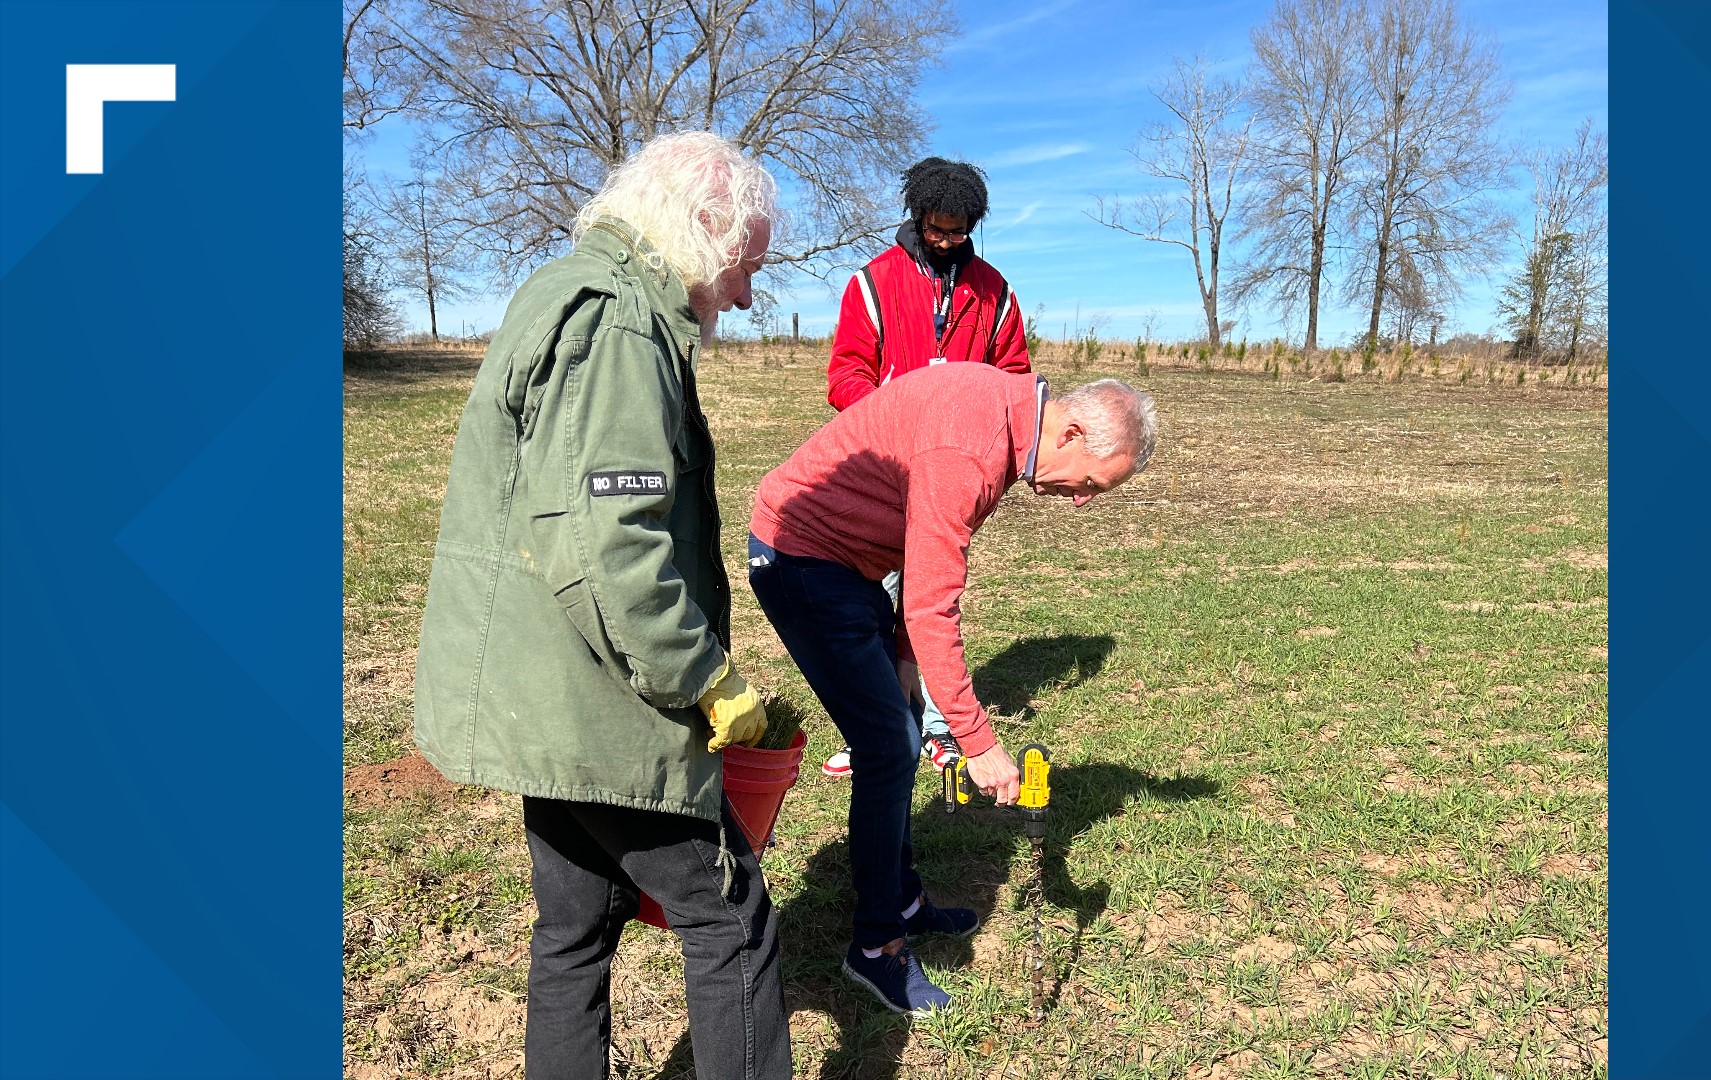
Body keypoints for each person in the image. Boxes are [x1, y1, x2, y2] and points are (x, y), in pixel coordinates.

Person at [412, 131, 790, 1080]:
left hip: (545, 691)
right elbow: (610, 544)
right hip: (595, 697)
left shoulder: (564, 289)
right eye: (745, 268)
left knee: (574, 927)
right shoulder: (621, 323)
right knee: (730, 920)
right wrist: (705, 678)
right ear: (704, 230)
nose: (743, 296)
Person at [746, 364, 1157, 1015]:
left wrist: (907, 658)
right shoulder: (973, 447)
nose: (1079, 500)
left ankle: (901, 899)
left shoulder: (1004, 418)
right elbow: (934, 604)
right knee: (889, 746)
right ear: (1071, 431)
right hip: (801, 554)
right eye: (1088, 484)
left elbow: (919, 546)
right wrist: (978, 741)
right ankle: (875, 949)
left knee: (899, 727)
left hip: (849, 562)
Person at [819, 156, 1034, 779]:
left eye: (958, 231)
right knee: (874, 603)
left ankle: (938, 729)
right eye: (936, 229)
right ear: (917, 216)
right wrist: (899, 418)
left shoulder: (996, 292)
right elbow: (846, 374)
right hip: (882, 473)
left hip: (951, 474)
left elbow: (1015, 379)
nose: (945, 240)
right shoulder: (872, 283)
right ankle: (876, 727)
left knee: (931, 597)